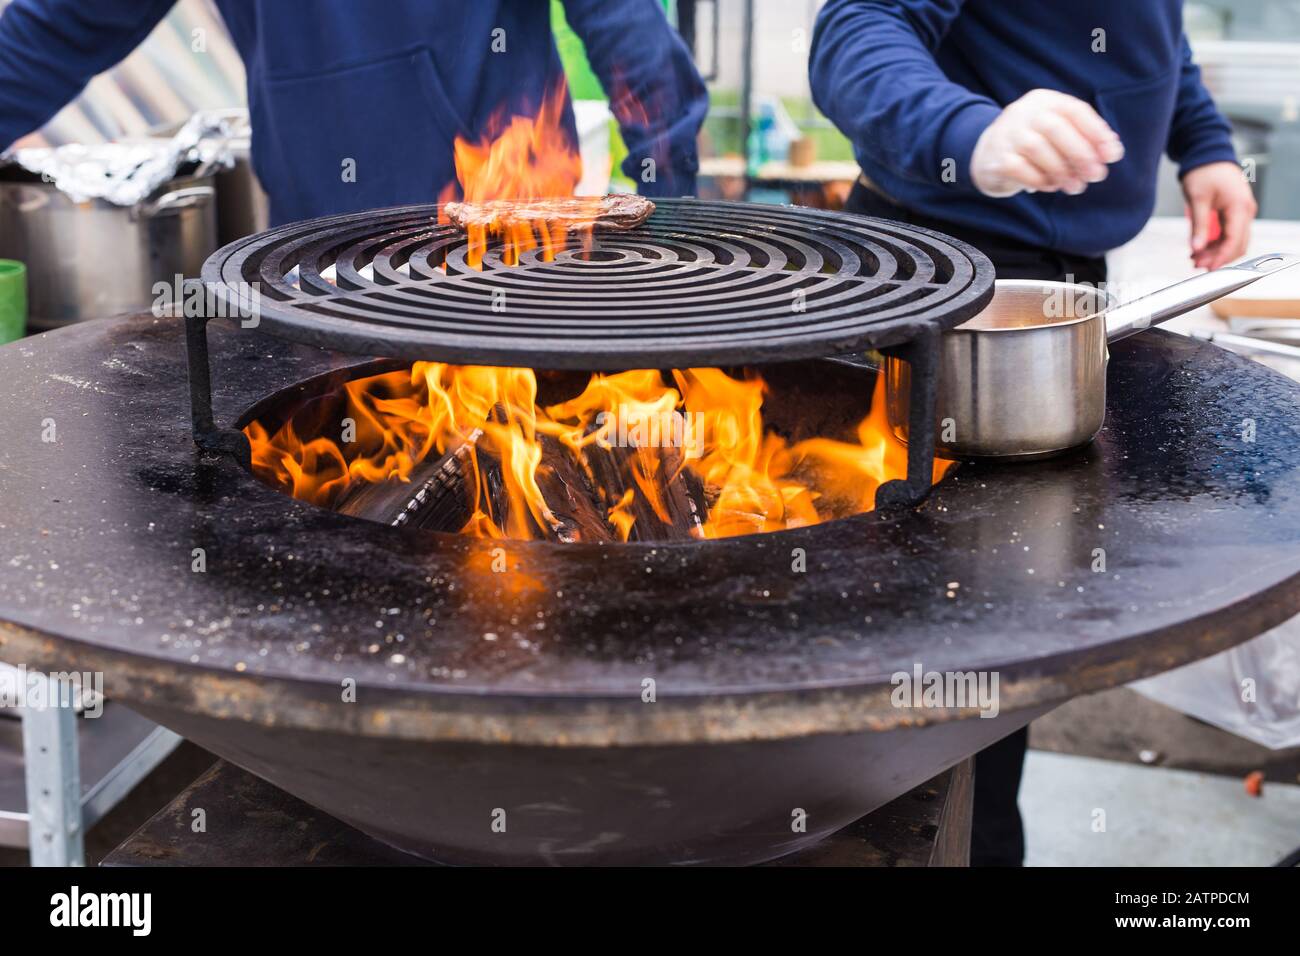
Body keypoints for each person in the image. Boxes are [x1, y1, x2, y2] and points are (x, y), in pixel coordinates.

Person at [809, 0, 1259, 865]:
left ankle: (982, 842)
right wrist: (968, 133)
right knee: (918, 672)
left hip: (1060, 291)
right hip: (934, 277)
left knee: (1005, 652)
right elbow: (856, 32)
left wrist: (1204, 147)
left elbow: (1156, 40)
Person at [0, 0, 707, 225]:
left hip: (497, 269)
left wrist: (666, 217)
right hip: (311, 272)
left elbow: (630, 35)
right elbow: (54, 31)